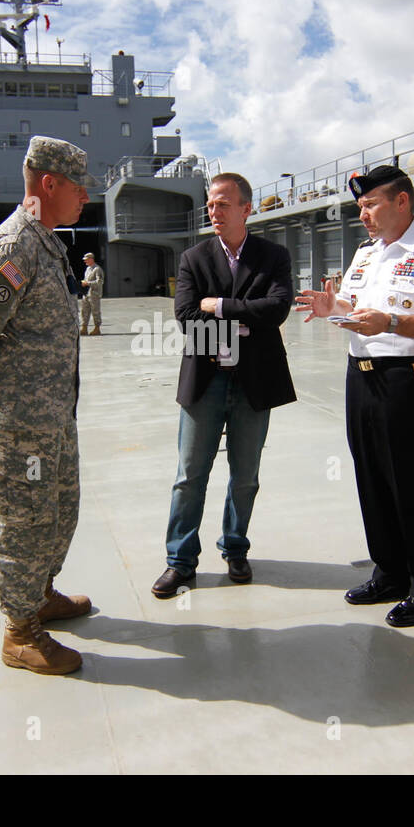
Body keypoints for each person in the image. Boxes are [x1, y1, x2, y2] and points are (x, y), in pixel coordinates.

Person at [295, 165, 414, 627]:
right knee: (371, 479)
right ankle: (389, 572)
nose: (364, 215)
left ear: (402, 201)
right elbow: (356, 309)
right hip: (361, 375)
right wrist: (332, 308)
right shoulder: (367, 253)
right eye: (360, 207)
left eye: (371, 205)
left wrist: (391, 322)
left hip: (404, 379)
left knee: (411, 485)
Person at [0, 135, 97, 676]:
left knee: (59, 513)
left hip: (53, 417)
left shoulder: (46, 242)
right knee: (25, 524)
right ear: (49, 183)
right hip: (19, 425)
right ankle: (19, 631)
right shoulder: (15, 245)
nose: (85, 196)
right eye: (78, 186)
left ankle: (39, 595)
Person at [150, 173, 296, 598]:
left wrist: (222, 306)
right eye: (211, 205)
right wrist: (245, 322)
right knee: (190, 475)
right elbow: (187, 319)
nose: (215, 211)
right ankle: (180, 562)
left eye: (224, 204)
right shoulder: (193, 258)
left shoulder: (273, 256)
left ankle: (235, 547)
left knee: (245, 476)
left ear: (246, 209)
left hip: (254, 382)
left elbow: (278, 310)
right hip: (206, 382)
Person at [80, 251, 104, 335]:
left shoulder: (97, 269)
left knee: (95, 311)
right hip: (86, 293)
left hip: (94, 294)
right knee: (84, 311)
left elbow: (99, 282)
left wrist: (88, 283)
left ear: (91, 259)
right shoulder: (88, 269)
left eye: (86, 259)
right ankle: (84, 328)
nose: (85, 261)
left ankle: (97, 328)